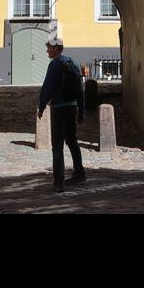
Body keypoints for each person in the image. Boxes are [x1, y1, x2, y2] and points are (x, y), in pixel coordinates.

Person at [36, 35, 85, 192]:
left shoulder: (55, 65)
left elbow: (47, 87)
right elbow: (80, 89)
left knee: (57, 145)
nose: (47, 50)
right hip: (72, 107)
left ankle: (58, 181)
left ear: (56, 48)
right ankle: (80, 173)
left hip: (58, 108)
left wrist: (42, 105)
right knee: (72, 141)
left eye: (49, 47)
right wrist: (81, 110)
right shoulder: (73, 63)